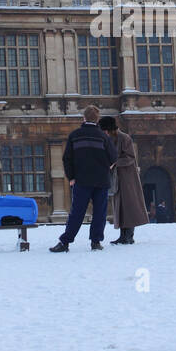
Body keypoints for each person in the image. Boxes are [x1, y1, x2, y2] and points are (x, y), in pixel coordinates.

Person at [50, 105, 118, 252]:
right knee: (100, 213)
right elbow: (113, 157)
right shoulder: (103, 137)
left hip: (82, 180)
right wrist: (107, 167)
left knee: (77, 213)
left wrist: (71, 177)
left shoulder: (75, 135)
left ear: (84, 118)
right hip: (101, 181)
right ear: (97, 120)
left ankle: (65, 242)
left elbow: (67, 158)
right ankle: (96, 242)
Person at [99, 115, 147, 245]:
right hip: (116, 177)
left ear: (109, 129)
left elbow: (130, 157)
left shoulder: (124, 138)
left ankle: (129, 236)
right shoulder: (109, 139)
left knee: (129, 205)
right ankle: (122, 235)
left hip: (127, 177)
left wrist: (115, 163)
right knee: (119, 206)